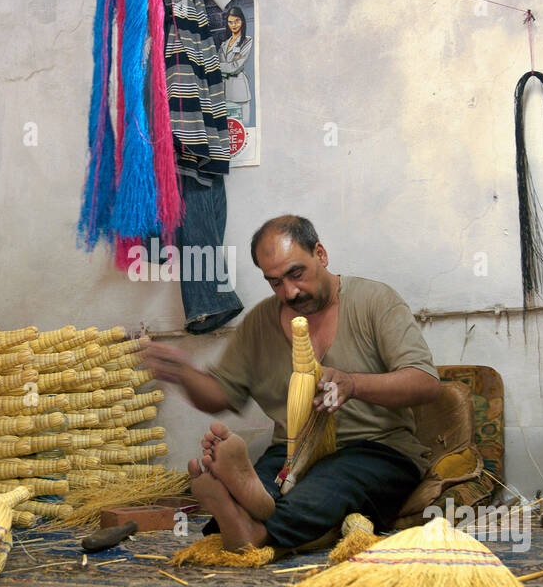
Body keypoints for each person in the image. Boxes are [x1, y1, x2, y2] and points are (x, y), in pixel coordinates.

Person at [143, 215, 442, 552]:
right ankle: (252, 507)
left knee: (326, 486)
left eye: (296, 274)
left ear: (321, 254)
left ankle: (253, 529)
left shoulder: (375, 301)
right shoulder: (261, 322)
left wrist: (352, 384)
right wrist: (184, 374)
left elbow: (426, 383)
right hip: (293, 450)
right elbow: (221, 395)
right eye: (275, 282)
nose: (290, 291)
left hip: (376, 450)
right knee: (274, 481)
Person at [217, 6, 252, 124]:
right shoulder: (224, 44)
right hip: (224, 91)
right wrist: (228, 65)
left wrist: (220, 66)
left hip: (239, 90)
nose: (234, 25)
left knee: (242, 127)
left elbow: (236, 66)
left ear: (242, 21)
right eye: (230, 22)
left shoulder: (247, 41)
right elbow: (224, 64)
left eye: (237, 21)